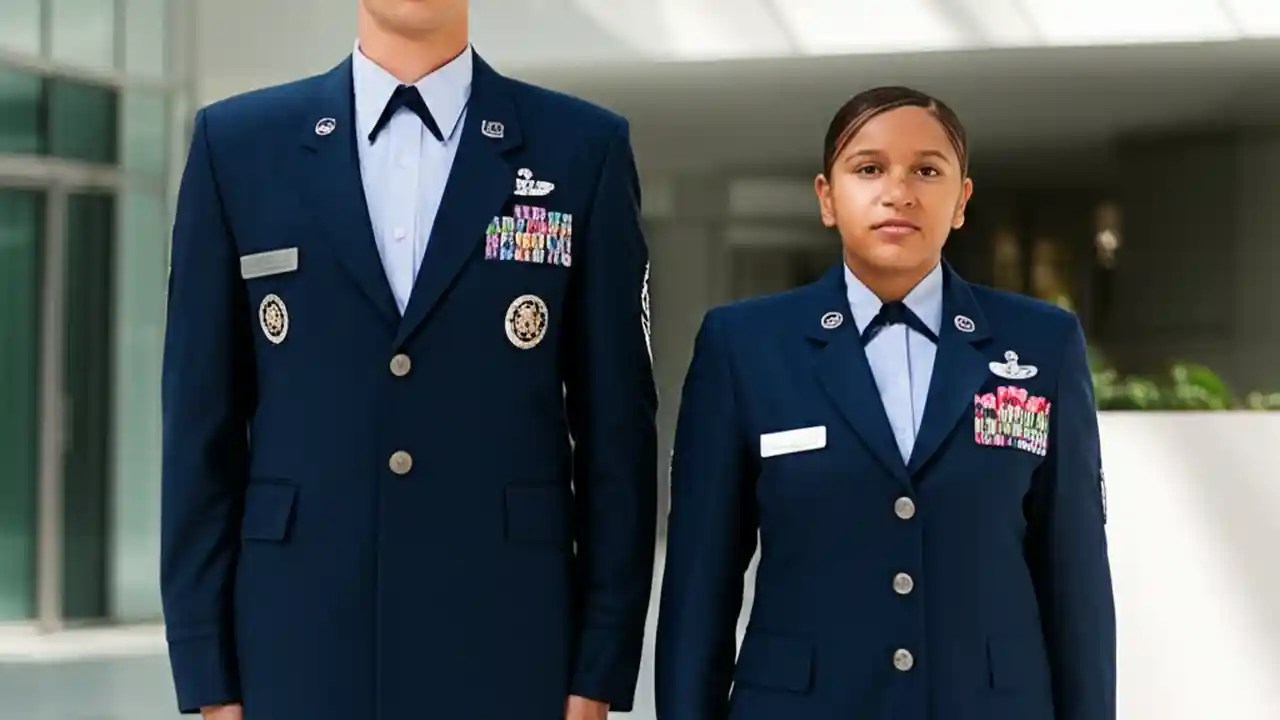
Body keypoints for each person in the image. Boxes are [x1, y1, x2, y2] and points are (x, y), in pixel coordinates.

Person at [160, 1, 657, 718]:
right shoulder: (236, 146)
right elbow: (198, 429)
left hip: (511, 639)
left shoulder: (582, 148)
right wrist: (208, 675)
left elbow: (618, 435)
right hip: (295, 637)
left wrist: (600, 669)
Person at [655, 86, 1115, 720]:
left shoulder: (1042, 342)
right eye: (868, 169)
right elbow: (700, 582)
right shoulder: (745, 346)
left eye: (927, 170)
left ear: (961, 201)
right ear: (826, 197)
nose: (898, 192)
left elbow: (1076, 577)